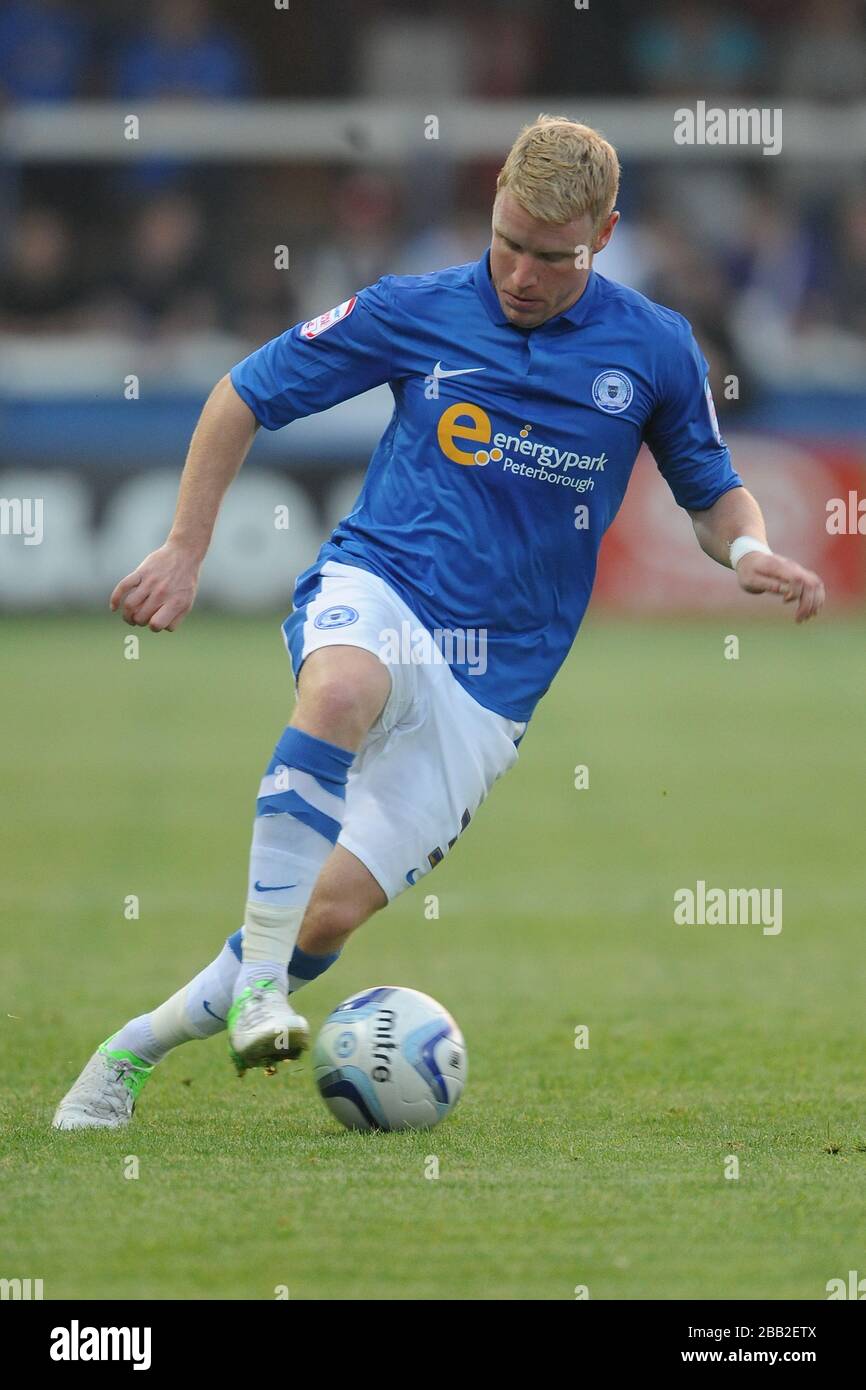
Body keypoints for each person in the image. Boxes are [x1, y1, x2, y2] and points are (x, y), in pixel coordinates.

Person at [53, 116, 824, 1129]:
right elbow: (242, 393)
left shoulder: (654, 347)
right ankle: (257, 994)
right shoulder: (414, 309)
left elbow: (710, 492)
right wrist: (185, 547)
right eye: (505, 242)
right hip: (384, 585)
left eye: (551, 257)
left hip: (492, 685)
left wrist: (750, 548)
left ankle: (130, 1049)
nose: (519, 273)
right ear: (492, 204)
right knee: (338, 688)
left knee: (324, 913)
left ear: (603, 233)